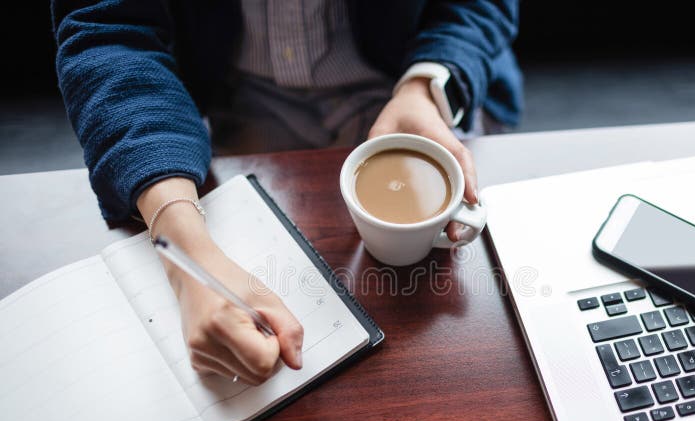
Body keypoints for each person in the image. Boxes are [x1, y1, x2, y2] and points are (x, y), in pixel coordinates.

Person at [51, 0, 522, 385]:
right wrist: (183, 252)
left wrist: (424, 88)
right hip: (228, 111)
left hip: (420, 90)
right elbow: (107, 30)